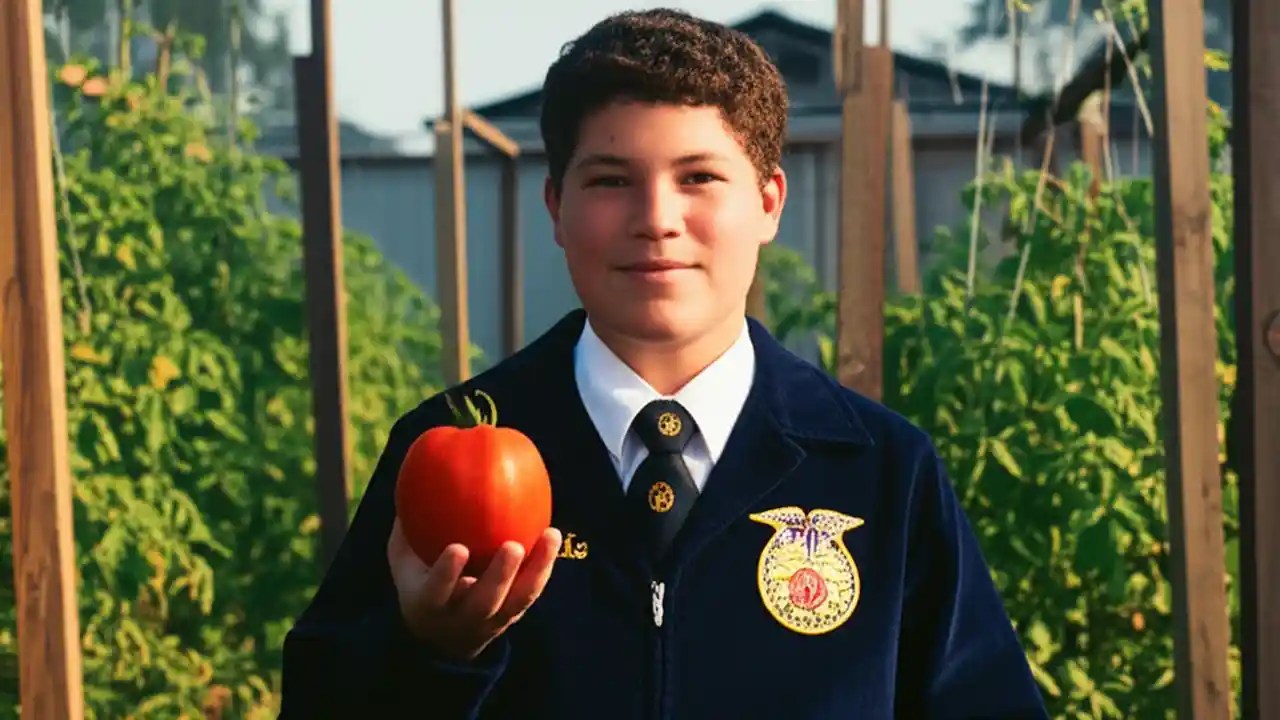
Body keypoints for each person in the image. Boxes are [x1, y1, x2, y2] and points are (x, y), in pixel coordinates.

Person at [280, 9, 1049, 719]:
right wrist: (434, 655)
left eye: (699, 178)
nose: (656, 220)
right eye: (611, 181)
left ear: (769, 202)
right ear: (555, 206)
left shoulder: (879, 471)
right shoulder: (447, 456)